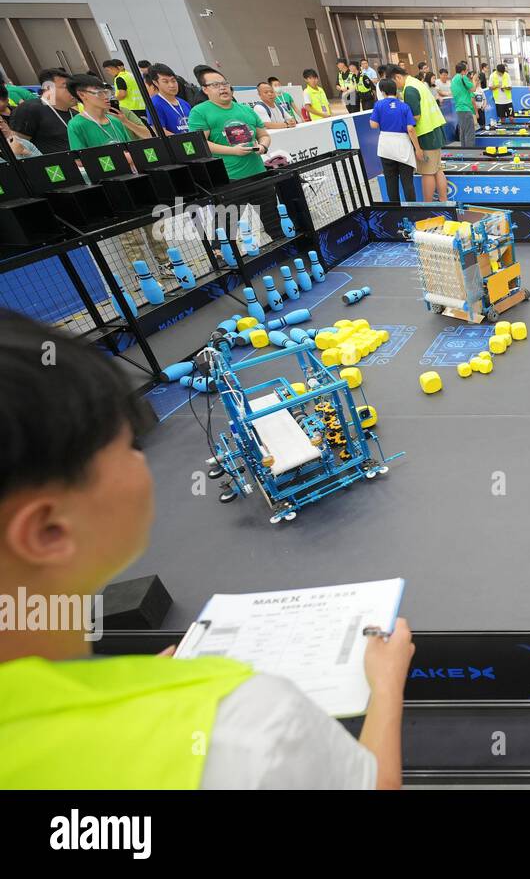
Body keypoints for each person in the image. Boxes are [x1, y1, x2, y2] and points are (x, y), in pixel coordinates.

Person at [0, 311, 413, 789]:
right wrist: (385, 686)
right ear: (49, 530)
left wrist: (134, 692)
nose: (142, 459)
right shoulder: (246, 724)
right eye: (127, 447)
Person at [189, 67, 282, 241]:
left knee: (273, 220)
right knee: (226, 227)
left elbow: (263, 134)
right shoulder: (200, 112)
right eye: (215, 85)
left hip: (258, 174)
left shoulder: (245, 110)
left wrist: (263, 146)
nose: (223, 88)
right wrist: (233, 151)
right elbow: (200, 144)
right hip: (229, 179)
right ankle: (223, 259)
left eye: (225, 83)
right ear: (205, 89)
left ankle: (286, 249)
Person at [392, 63, 448, 204]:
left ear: (398, 77)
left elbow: (415, 117)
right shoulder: (416, 82)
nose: (395, 86)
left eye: (394, 82)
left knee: (427, 172)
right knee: (437, 169)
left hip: (426, 134)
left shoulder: (409, 89)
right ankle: (444, 201)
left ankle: (427, 205)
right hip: (434, 130)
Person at [369, 77, 421, 203]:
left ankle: (396, 212)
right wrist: (418, 149)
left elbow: (373, 125)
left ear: (382, 91)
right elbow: (410, 129)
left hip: (386, 146)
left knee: (390, 181)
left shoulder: (379, 105)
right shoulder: (404, 106)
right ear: (396, 90)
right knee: (407, 182)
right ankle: (413, 210)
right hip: (403, 145)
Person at [66, 74, 150, 150]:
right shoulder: (76, 124)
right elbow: (79, 160)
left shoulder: (115, 119)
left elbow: (131, 147)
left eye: (106, 92)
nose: (106, 97)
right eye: (99, 93)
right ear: (82, 95)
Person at [7, 68, 76, 155]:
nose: (73, 91)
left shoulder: (75, 114)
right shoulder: (29, 109)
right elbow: (17, 146)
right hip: (50, 166)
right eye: (66, 87)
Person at [145, 63, 192, 135]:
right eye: (165, 82)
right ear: (155, 83)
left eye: (173, 81)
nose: (172, 85)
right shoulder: (154, 104)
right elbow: (160, 132)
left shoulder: (184, 103)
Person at [450, 61, 477, 148]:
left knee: (463, 132)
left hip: (459, 108)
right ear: (462, 71)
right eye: (466, 70)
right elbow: (473, 89)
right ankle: (470, 152)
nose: (467, 72)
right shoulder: (463, 77)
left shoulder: (454, 79)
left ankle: (464, 151)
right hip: (465, 108)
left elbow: (466, 90)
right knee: (469, 132)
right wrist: (473, 79)